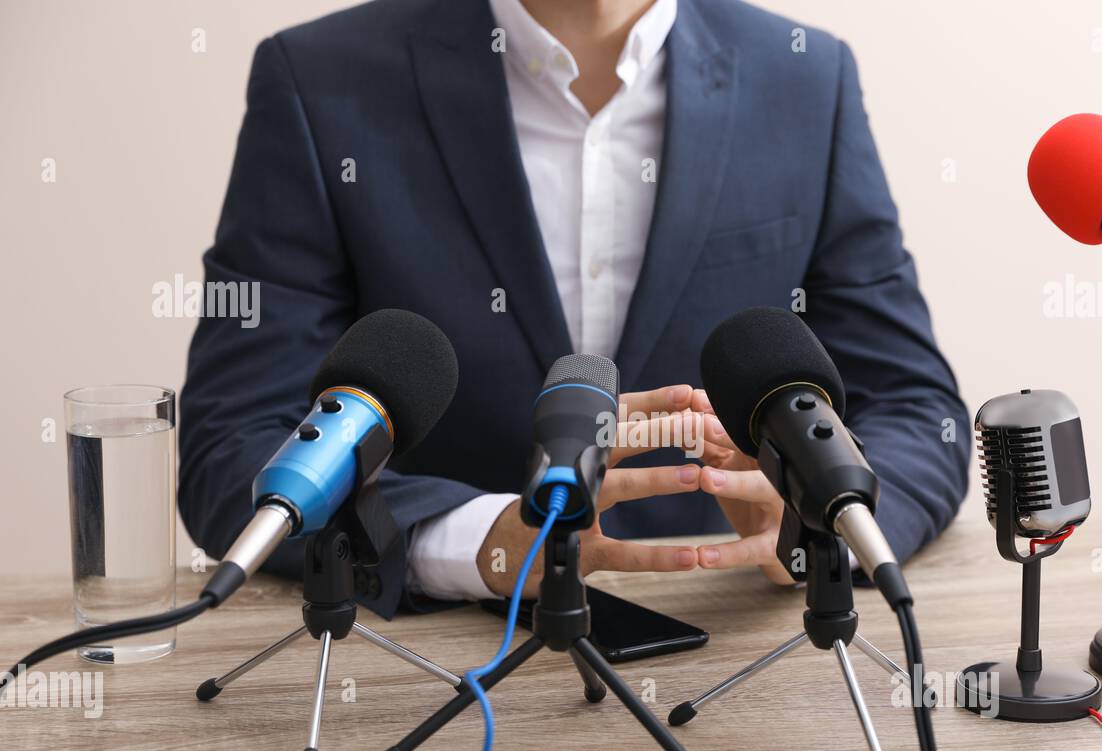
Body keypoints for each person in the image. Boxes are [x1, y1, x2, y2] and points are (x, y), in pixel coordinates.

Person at [179, 0, 970, 617]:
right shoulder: (318, 79)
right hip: (426, 664)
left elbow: (915, 411)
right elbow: (232, 442)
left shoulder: (807, 78)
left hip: (743, 647)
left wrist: (822, 519)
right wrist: (478, 543)